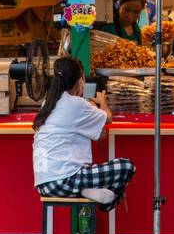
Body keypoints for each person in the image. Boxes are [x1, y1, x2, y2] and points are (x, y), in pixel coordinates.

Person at [33, 56, 135, 212]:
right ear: (80, 81)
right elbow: (108, 118)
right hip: (64, 180)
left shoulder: (47, 103)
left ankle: (87, 190)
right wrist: (102, 102)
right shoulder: (77, 104)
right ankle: (104, 199)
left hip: (44, 184)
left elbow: (100, 134)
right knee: (126, 166)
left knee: (90, 173)